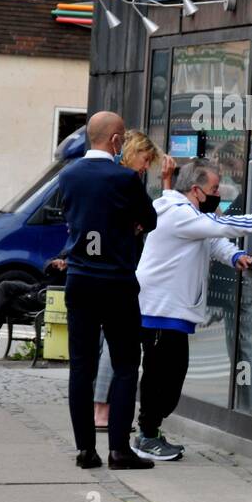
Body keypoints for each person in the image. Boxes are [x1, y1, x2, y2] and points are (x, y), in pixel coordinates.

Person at [132, 157, 252, 460]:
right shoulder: (178, 213)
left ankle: (150, 430)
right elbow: (225, 227)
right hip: (161, 309)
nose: (219, 194)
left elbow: (212, 241)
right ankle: (146, 435)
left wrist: (235, 258)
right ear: (196, 190)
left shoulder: (188, 214)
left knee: (171, 374)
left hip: (171, 310)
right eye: (215, 188)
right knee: (160, 376)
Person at [58, 111, 158, 470]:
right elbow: (151, 220)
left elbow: (70, 217)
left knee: (81, 367)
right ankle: (119, 449)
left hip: (80, 280)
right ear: (117, 141)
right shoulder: (126, 179)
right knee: (127, 364)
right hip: (116, 282)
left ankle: (86, 449)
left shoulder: (67, 175)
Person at [93, 130, 167, 429]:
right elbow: (150, 217)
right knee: (115, 345)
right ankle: (101, 410)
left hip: (112, 269)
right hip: (120, 271)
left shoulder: (110, 177)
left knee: (109, 345)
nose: (145, 166)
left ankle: (102, 408)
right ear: (132, 151)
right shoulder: (124, 181)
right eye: (145, 158)